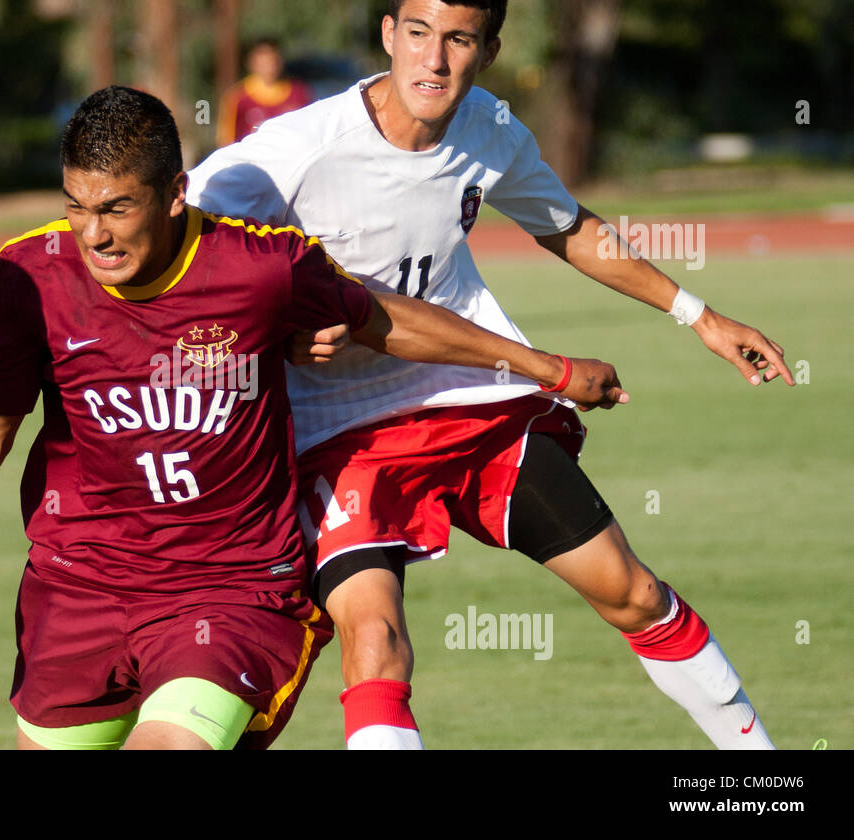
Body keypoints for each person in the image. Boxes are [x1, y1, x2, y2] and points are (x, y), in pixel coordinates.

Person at [0, 84, 627, 750]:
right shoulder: (29, 278)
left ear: (174, 194)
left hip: (229, 588)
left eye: (117, 209)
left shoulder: (256, 265)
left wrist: (547, 369)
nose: (92, 234)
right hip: (76, 588)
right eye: (77, 207)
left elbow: (389, 317)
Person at [186, 0, 794, 749]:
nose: (433, 61)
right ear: (388, 35)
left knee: (632, 593)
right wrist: (274, 328)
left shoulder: (490, 130)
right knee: (374, 643)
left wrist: (699, 315)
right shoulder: (296, 148)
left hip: (467, 397)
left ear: (489, 49)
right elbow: (183, 238)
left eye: (457, 40)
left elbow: (566, 226)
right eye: (417, 34)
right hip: (333, 429)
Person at [217, 37, 316, 146]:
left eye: (273, 59)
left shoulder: (299, 93)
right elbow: (226, 143)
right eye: (264, 60)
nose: (270, 65)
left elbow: (311, 133)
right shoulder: (237, 97)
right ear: (251, 62)